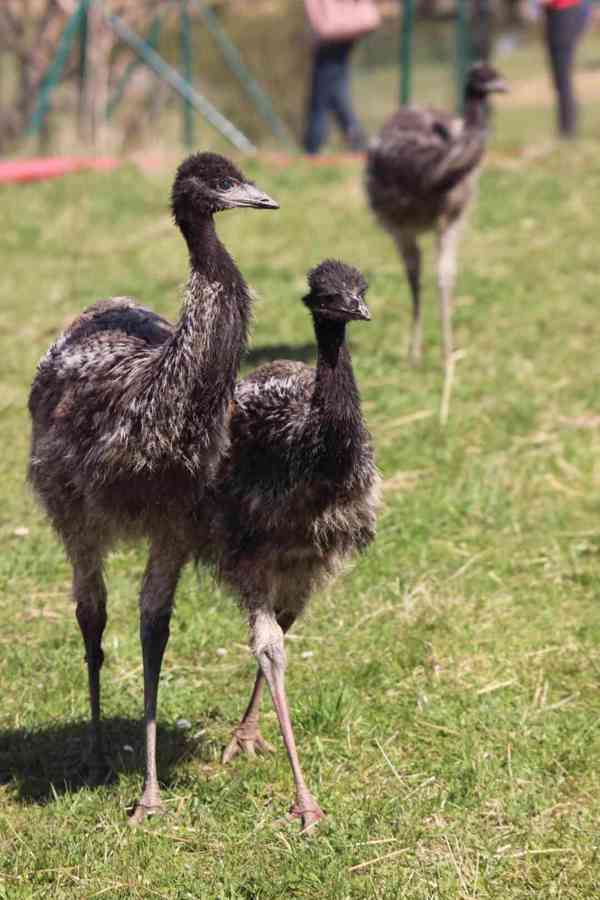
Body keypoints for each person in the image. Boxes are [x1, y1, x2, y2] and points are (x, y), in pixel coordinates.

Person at [303, 38, 368, 154]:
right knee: (337, 97)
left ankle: (313, 148)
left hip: (328, 43)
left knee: (320, 104)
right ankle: (358, 141)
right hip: (338, 42)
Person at [541, 0, 589, 138]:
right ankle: (566, 128)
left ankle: (568, 130)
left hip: (563, 14)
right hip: (559, 13)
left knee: (562, 77)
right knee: (560, 78)